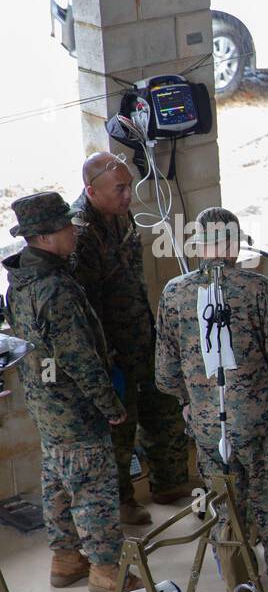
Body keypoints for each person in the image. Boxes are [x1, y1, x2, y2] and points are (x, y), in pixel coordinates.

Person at [155, 208, 268, 592]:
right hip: (261, 417)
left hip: (207, 422)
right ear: (234, 244)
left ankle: (239, 588)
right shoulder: (258, 289)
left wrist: (188, 403)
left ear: (198, 246)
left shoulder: (174, 293)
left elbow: (164, 372)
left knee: (224, 500)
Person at [2, 192, 136, 592]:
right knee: (94, 486)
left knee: (57, 480)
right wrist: (110, 405)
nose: (73, 231)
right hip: (75, 405)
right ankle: (106, 568)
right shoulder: (56, 290)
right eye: (64, 226)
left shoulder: (20, 283)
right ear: (42, 238)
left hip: (45, 405)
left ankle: (65, 558)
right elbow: (80, 358)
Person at [73, 152, 191, 526]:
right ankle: (122, 500)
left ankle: (170, 481)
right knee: (120, 428)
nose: (129, 196)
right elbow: (86, 303)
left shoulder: (121, 217)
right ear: (92, 191)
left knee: (164, 406)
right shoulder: (80, 233)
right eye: (120, 188)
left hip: (140, 330)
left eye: (129, 186)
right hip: (111, 346)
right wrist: (105, 354)